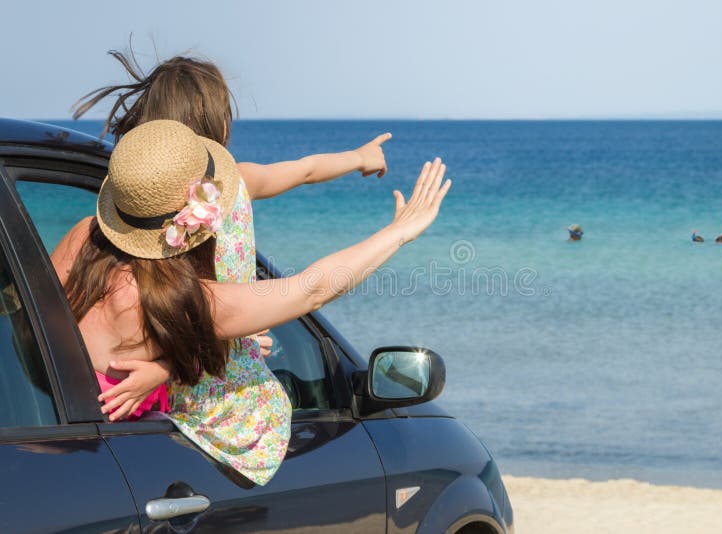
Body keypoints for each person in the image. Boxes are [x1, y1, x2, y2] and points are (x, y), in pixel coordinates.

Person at [52, 120, 450, 484]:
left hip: (59, 435)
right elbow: (311, 288)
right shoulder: (189, 304)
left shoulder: (81, 239)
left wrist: (165, 366)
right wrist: (399, 232)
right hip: (120, 461)